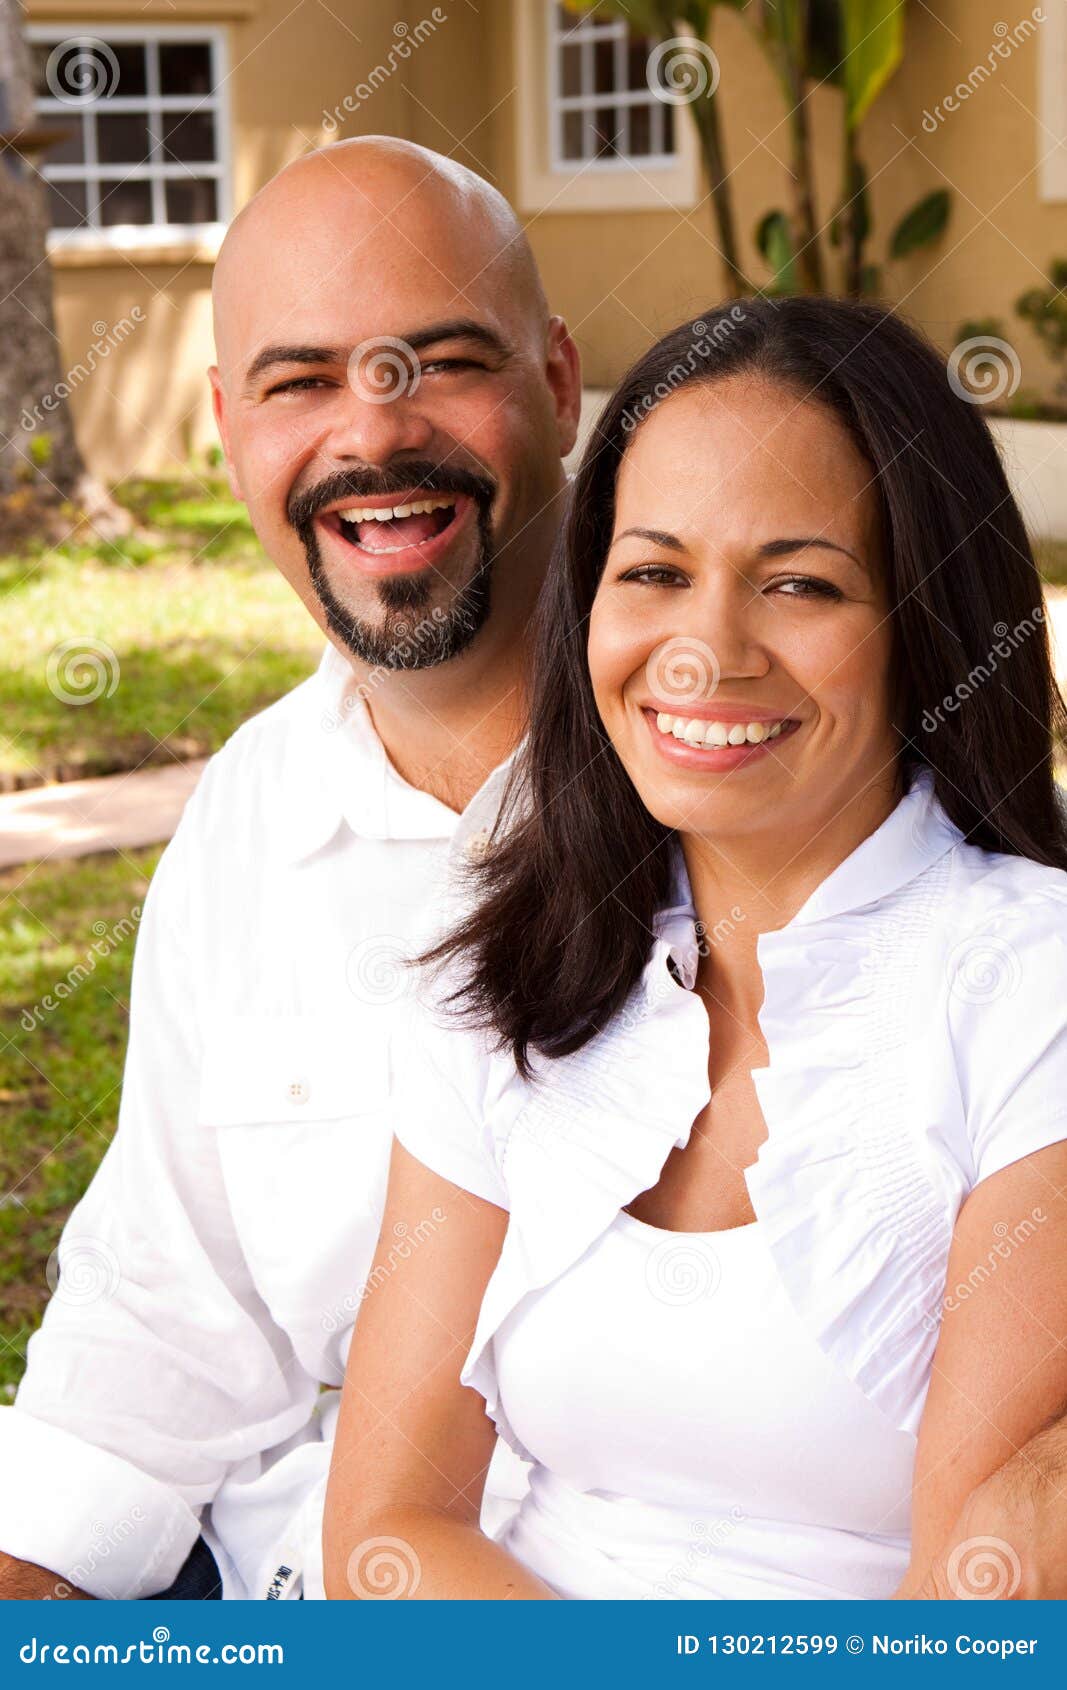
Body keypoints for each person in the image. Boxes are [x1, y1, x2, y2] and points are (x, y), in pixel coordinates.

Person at [323, 296, 1067, 1602]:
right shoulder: (498, 971)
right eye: (656, 571)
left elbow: (977, 1612)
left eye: (800, 582)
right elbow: (386, 1535)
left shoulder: (1030, 990)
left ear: (923, 622)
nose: (707, 652)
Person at [0, 136, 581, 1599]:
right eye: (299, 380)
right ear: (224, 424)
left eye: (442, 360)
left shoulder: (740, 775)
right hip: (283, 1592)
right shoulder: (251, 810)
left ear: (560, 383)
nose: (372, 438)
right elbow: (164, 1306)